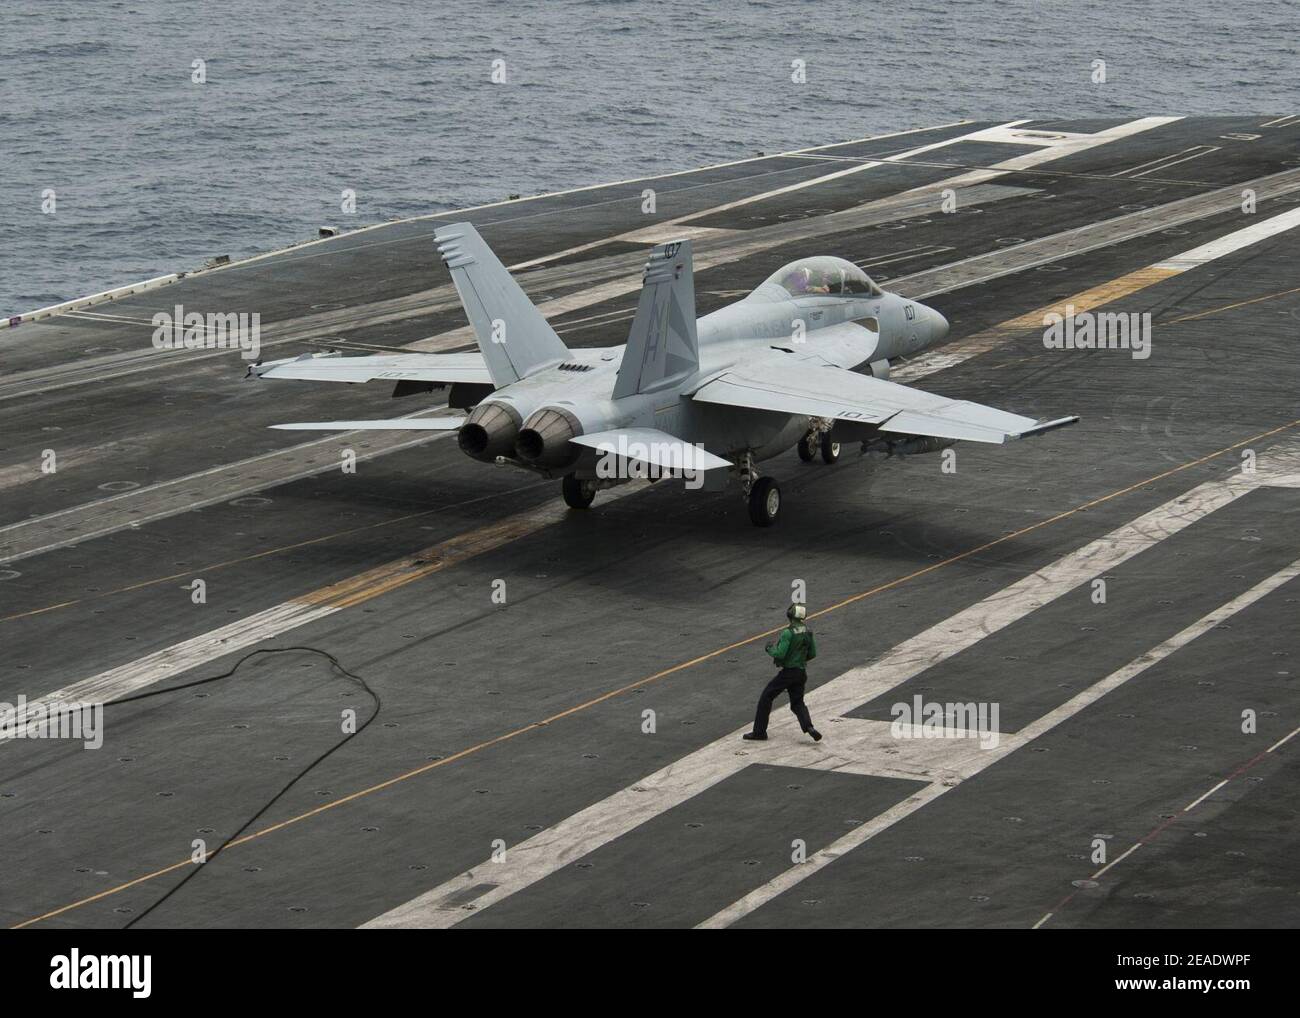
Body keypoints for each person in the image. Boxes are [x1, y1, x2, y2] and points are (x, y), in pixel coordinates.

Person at [743, 604, 822, 742]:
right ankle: (809, 726)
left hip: (788, 673)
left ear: (790, 616)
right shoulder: (808, 631)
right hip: (801, 672)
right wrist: (800, 660)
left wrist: (769, 649)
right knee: (797, 703)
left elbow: (780, 654)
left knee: (766, 697)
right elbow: (813, 653)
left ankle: (759, 732)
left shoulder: (788, 632)